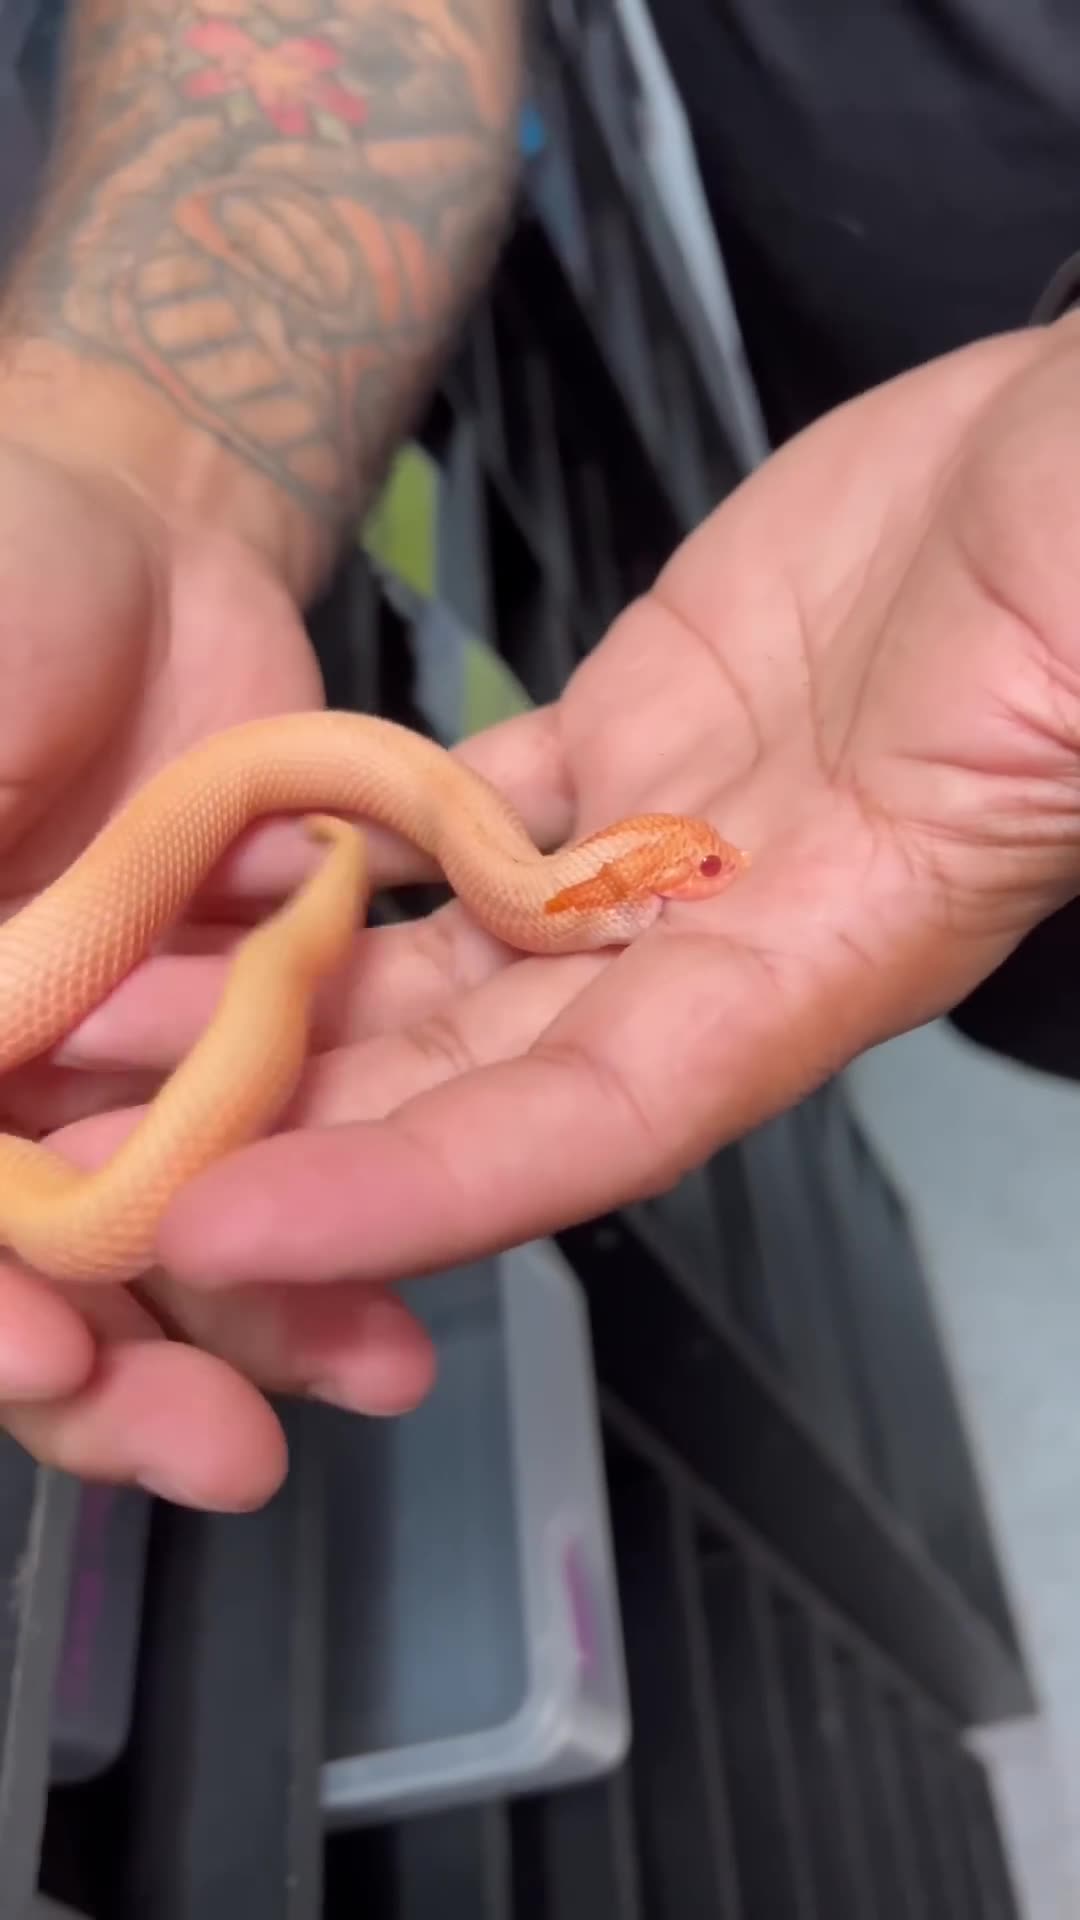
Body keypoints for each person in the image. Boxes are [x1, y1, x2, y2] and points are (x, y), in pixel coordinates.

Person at [1, 0, 1079, 1513]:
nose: (709, 875)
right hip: (835, 473)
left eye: (694, 873)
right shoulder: (558, 868)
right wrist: (140, 453)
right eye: (689, 866)